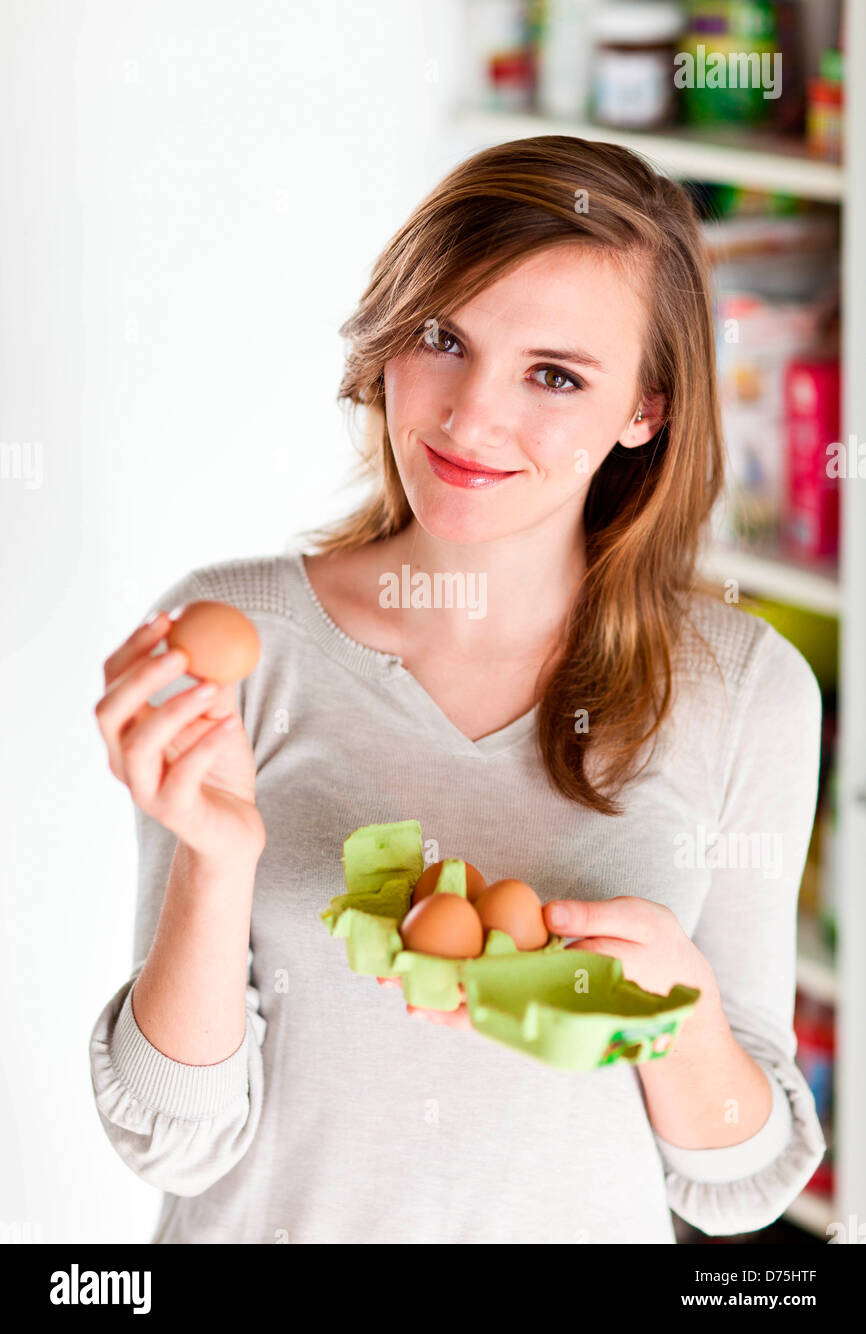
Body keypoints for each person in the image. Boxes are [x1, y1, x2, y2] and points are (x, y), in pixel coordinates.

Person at [90, 136, 826, 1244]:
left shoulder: (742, 689)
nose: (468, 417)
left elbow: (742, 1176)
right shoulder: (239, 638)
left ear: (646, 409)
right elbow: (172, 1135)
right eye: (442, 339)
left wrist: (673, 1016)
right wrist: (216, 858)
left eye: (554, 374)